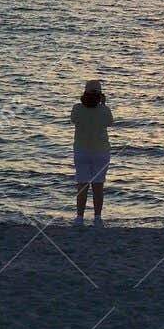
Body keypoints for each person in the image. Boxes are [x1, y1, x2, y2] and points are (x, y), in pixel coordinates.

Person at [70, 79, 114, 227]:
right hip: (101, 152)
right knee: (98, 187)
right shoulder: (104, 110)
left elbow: (73, 120)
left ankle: (79, 218)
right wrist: (103, 104)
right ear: (100, 95)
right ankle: (97, 218)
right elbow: (109, 122)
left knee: (82, 186)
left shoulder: (77, 108)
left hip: (81, 152)